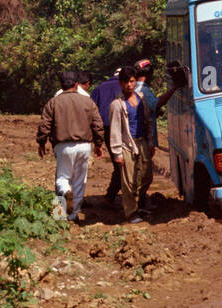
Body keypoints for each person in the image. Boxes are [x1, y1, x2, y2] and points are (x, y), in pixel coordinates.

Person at [37, 70, 104, 222]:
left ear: (61, 85)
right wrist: (98, 144)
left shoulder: (53, 102)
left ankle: (60, 211)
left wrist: (41, 143)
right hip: (84, 145)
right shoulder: (87, 101)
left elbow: (44, 125)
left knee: (62, 178)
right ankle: (74, 215)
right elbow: (98, 124)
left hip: (63, 145)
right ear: (76, 84)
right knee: (80, 180)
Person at [132, 59, 180, 211]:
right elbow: (157, 104)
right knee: (144, 174)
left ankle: (59, 213)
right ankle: (138, 204)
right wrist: (174, 88)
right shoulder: (144, 90)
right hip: (143, 137)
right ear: (148, 75)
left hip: (135, 136)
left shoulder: (133, 89)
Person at [108, 67, 149, 223]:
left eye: (131, 81)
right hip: (126, 144)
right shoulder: (117, 105)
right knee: (128, 180)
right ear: (121, 83)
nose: (129, 85)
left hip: (142, 142)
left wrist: (150, 142)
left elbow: (147, 121)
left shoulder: (140, 98)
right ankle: (131, 212)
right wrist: (117, 153)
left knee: (146, 176)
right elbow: (115, 130)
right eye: (126, 82)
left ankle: (140, 204)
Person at [90, 68, 126, 204]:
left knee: (117, 162)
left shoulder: (99, 88)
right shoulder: (127, 87)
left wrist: (96, 140)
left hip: (106, 129)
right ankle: (112, 196)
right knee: (124, 164)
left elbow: (92, 110)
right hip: (124, 128)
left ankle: (64, 210)